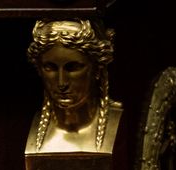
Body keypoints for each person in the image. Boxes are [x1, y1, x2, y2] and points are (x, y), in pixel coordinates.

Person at [26, 20, 119, 154]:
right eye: (50, 68)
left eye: (73, 68)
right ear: (39, 70)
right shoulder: (33, 128)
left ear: (97, 69)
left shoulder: (115, 122)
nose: (61, 83)